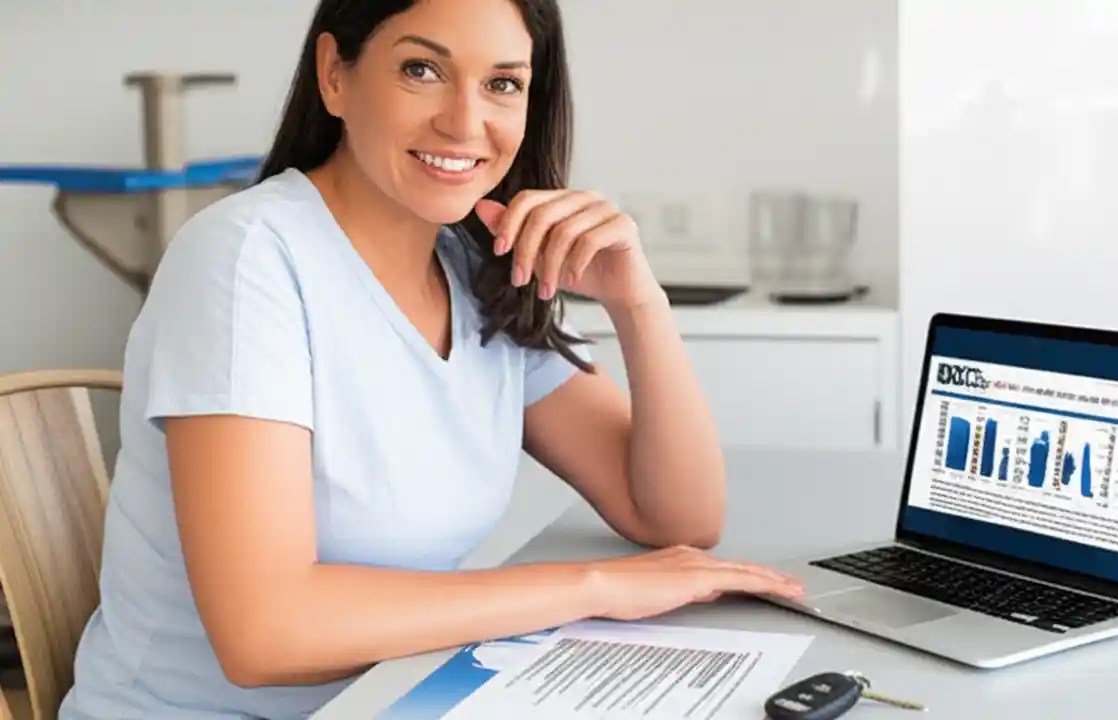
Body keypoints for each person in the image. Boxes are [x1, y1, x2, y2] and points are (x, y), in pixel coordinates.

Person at [58, 0, 805, 717]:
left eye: (503, 84)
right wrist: (596, 585)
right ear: (335, 74)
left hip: (398, 696)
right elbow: (265, 635)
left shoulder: (471, 269)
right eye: (422, 70)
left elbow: (676, 516)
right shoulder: (248, 259)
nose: (465, 121)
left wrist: (638, 302)